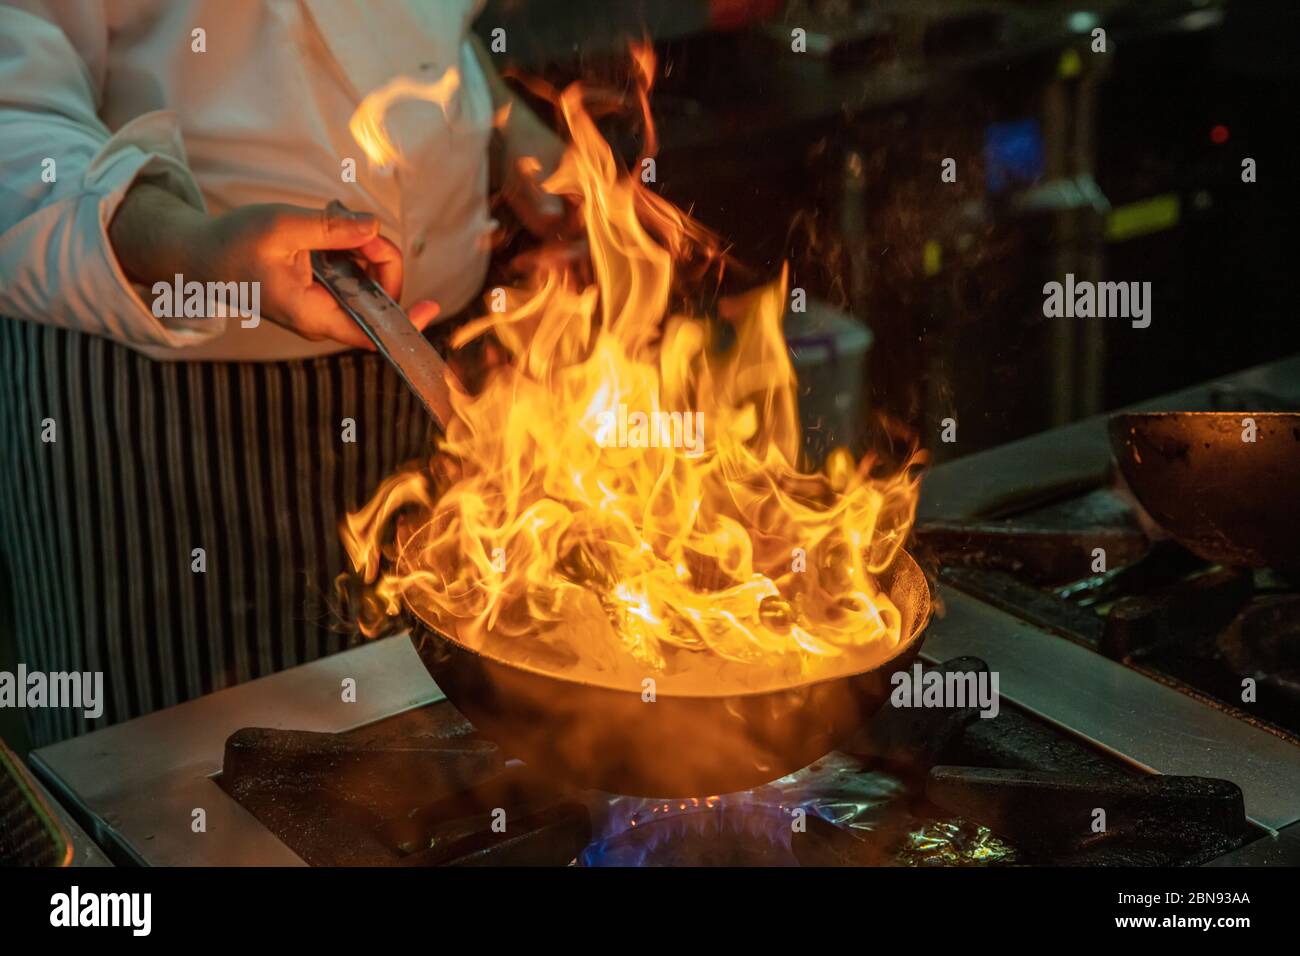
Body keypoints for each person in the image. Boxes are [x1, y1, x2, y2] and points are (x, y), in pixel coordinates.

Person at [0, 0, 567, 747]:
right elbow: (16, 115)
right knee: (183, 779)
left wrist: (498, 114)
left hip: (424, 366)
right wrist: (191, 243)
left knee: (412, 773)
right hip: (158, 407)